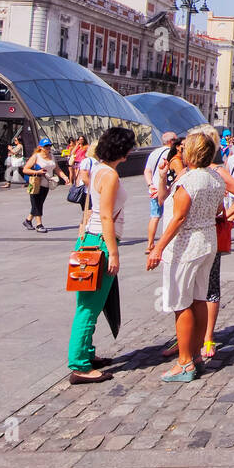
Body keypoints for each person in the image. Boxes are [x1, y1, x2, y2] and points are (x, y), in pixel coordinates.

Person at [148, 131, 228, 383]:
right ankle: (196, 354)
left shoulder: (189, 181)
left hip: (184, 247)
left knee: (180, 303)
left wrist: (158, 247)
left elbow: (179, 217)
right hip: (207, 243)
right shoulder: (215, 178)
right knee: (199, 299)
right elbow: (218, 209)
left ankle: (184, 362)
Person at [65, 126, 136, 384]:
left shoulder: (97, 169)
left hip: (89, 239)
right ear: (123, 150)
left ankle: (86, 353)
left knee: (88, 304)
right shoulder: (110, 175)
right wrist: (114, 252)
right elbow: (105, 215)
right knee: (89, 307)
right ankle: (80, 365)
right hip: (101, 242)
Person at [200, 149, 234, 358]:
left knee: (210, 287)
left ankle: (207, 338)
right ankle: (187, 336)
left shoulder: (216, 171)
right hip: (190, 239)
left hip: (210, 237)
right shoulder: (190, 171)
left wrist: (223, 219)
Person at [23, 139, 68, 232]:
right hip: (36, 183)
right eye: (46, 146)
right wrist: (37, 172)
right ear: (40, 147)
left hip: (47, 184)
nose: (48, 148)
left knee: (39, 203)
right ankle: (39, 225)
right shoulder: (36, 156)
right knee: (36, 203)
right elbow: (25, 169)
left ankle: (28, 220)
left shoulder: (52, 156)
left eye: (49, 145)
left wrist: (64, 177)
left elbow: (57, 169)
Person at [144, 131, 178, 252]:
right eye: (176, 140)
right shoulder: (173, 154)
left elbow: (147, 171)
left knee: (154, 216)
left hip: (155, 190)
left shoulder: (154, 153)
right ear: (171, 142)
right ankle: (167, 243)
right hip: (168, 190)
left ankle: (150, 244)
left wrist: (151, 185)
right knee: (171, 216)